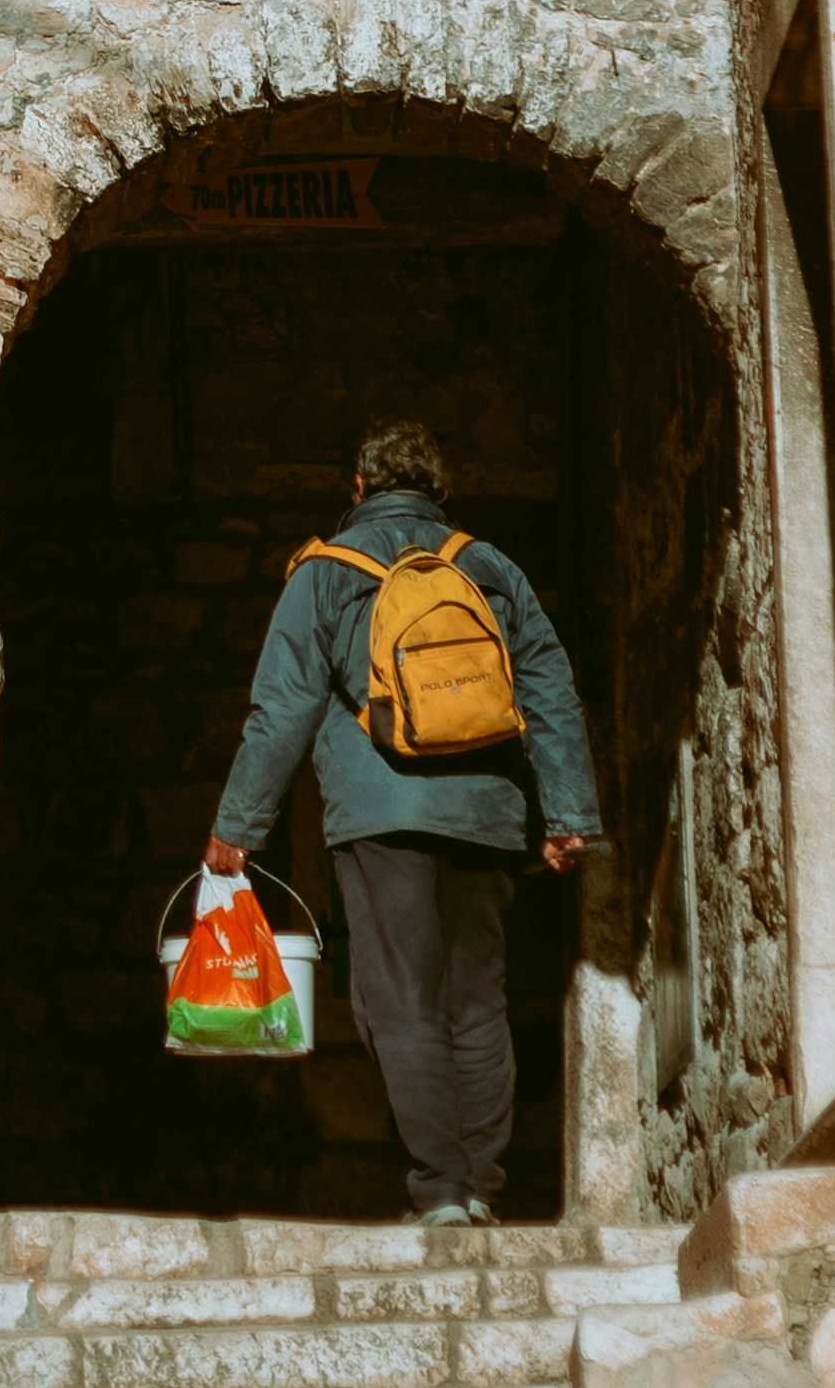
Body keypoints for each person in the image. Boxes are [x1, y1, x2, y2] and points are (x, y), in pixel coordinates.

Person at [202, 408, 599, 1222]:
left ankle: (440, 1191)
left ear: (357, 487)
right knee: (475, 1001)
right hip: (487, 813)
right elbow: (551, 693)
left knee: (401, 1002)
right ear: (439, 492)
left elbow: (281, 712)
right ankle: (482, 1188)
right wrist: (567, 816)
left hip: (379, 814)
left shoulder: (324, 572)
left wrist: (237, 827)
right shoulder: (489, 568)